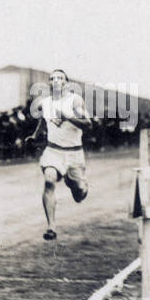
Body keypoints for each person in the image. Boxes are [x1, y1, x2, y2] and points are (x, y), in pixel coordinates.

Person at [35, 69, 90, 240]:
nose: (56, 80)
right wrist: (35, 135)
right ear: (49, 83)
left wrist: (67, 117)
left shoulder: (75, 101)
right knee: (49, 180)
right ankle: (51, 226)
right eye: (52, 78)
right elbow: (43, 121)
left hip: (74, 154)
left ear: (67, 82)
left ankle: (80, 187)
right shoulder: (45, 103)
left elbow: (88, 124)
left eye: (60, 78)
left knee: (79, 193)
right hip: (53, 151)